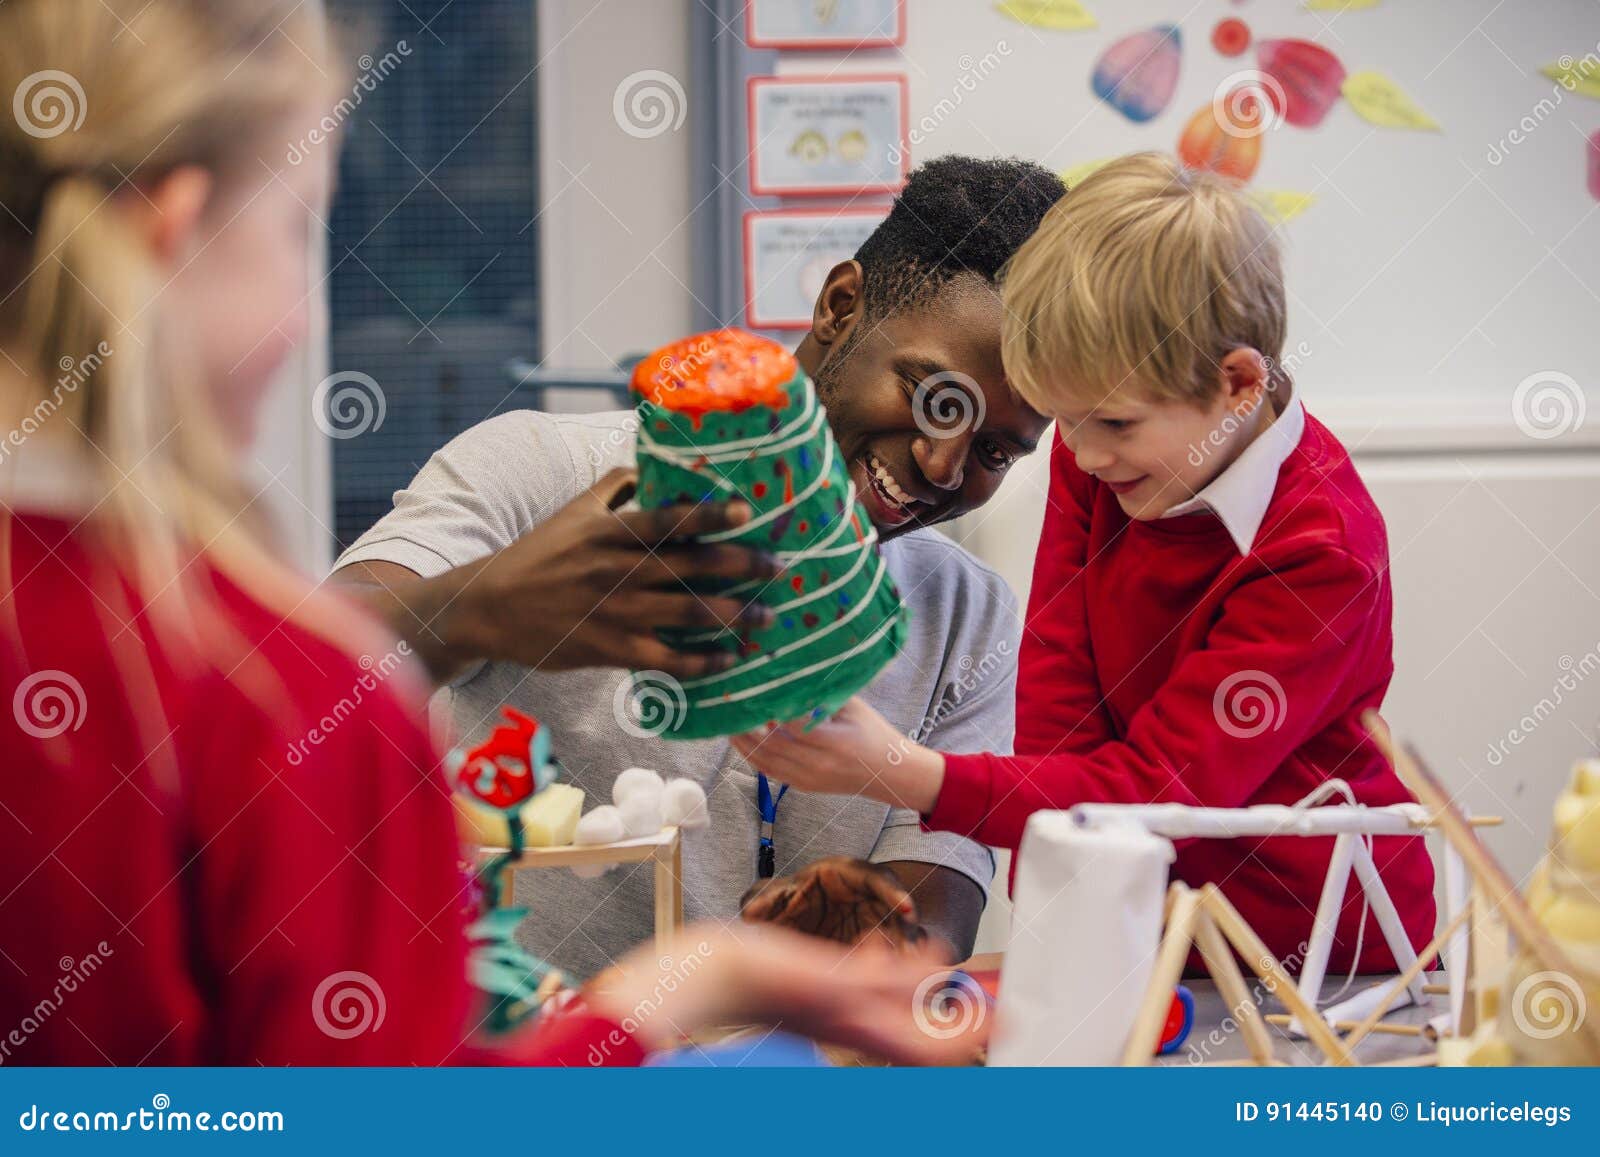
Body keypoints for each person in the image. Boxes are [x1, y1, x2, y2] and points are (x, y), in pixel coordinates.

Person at [0, 0, 978, 1067]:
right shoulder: (267, 686)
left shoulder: (212, 674)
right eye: (297, 231)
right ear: (175, 233)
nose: (945, 463)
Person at [331, 155, 1064, 975]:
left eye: (996, 450)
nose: (941, 464)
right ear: (841, 305)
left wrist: (875, 941)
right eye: (935, 397)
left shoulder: (966, 615)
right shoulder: (541, 472)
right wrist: (488, 608)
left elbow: (929, 921)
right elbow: (313, 659)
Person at [732, 153, 1437, 973]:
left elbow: (1166, 791)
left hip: (1322, 954)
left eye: (1112, 424)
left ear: (1240, 384)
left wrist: (907, 773)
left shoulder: (1321, 552)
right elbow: (1061, 695)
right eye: (1064, 422)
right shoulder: (1103, 446)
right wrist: (1063, 921)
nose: (1084, 456)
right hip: (1142, 923)